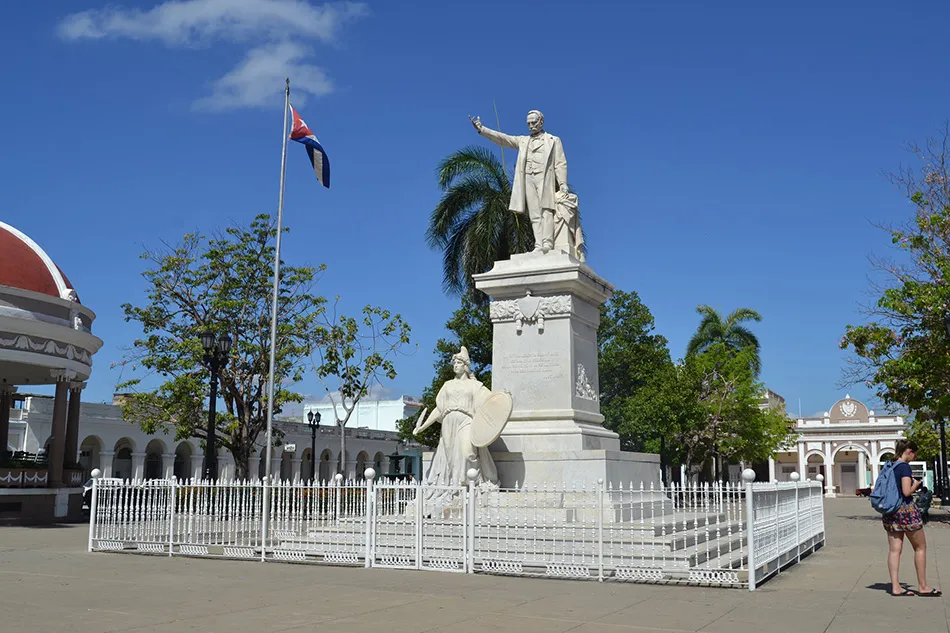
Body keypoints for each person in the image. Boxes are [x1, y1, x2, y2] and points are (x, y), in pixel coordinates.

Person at [469, 110, 568, 253]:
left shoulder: (553, 140)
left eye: (534, 122)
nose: (531, 126)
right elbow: (503, 139)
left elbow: (560, 163)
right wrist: (482, 130)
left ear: (541, 122)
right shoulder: (523, 141)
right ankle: (539, 244)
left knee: (546, 209)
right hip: (528, 177)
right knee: (534, 213)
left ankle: (548, 243)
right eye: (529, 123)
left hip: (544, 178)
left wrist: (563, 184)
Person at [413, 347, 499, 490]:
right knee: (450, 457)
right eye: (454, 363)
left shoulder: (476, 385)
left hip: (467, 421)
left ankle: (470, 484)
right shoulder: (447, 386)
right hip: (448, 423)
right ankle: (456, 487)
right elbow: (439, 409)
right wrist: (423, 427)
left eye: (458, 363)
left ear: (465, 366)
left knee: (467, 453)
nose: (455, 366)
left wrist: (504, 399)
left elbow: (491, 402)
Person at [883, 439, 941, 597]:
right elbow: (906, 491)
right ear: (909, 451)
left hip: (890, 511)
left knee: (894, 550)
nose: (914, 457)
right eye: (914, 454)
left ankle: (895, 587)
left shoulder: (889, 465)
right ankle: (923, 586)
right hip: (906, 511)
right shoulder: (904, 467)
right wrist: (916, 484)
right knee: (920, 547)